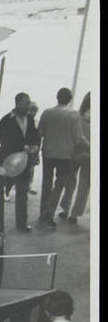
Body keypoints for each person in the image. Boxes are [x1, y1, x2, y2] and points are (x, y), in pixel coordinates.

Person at [36, 88, 82, 226]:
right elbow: (77, 138)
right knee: (60, 183)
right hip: (65, 155)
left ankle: (42, 211)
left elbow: (40, 133)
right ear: (70, 100)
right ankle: (50, 211)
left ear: (57, 97)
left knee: (47, 182)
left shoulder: (47, 112)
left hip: (48, 153)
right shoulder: (74, 115)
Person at [0, 92, 41, 232]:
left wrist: (34, 146)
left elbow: (34, 135)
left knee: (22, 193)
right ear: (18, 103)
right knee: (0, 192)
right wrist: (21, 147)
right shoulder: (7, 120)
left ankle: (22, 223)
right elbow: (2, 139)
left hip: (25, 162)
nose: (29, 106)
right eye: (26, 103)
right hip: (8, 162)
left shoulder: (30, 119)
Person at [60, 92, 91, 225]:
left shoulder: (78, 115)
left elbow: (73, 135)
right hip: (90, 153)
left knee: (70, 182)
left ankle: (65, 209)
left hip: (75, 152)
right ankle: (74, 214)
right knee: (84, 185)